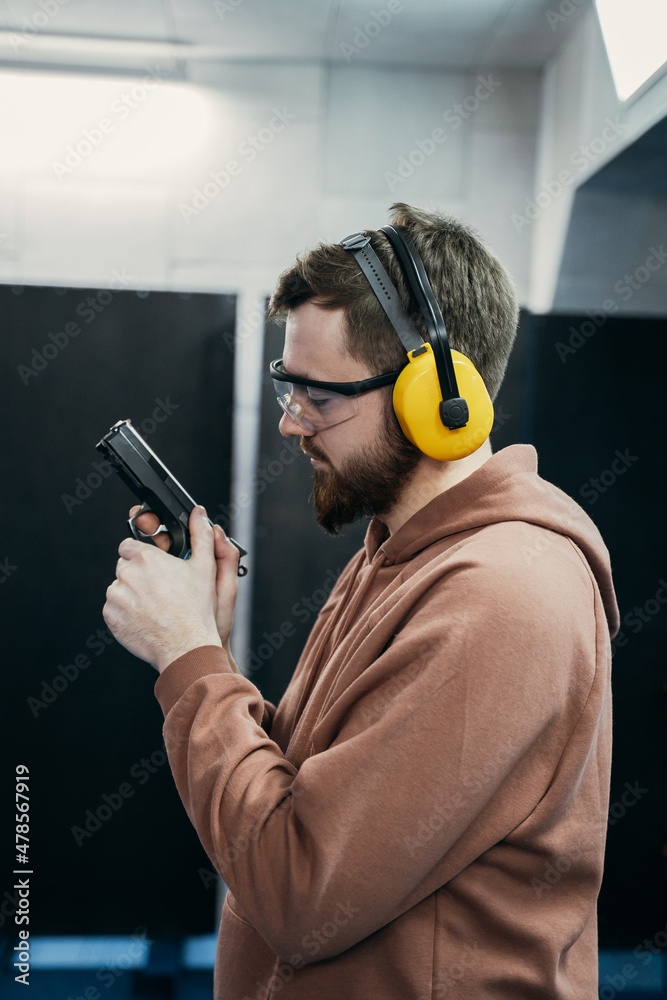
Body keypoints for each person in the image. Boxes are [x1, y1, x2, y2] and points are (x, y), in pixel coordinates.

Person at [103, 202, 619, 1000]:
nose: (290, 424)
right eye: (287, 389)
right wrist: (208, 645)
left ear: (441, 398)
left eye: (319, 397)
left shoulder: (502, 595)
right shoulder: (400, 549)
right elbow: (309, 796)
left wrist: (190, 661)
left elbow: (301, 893)